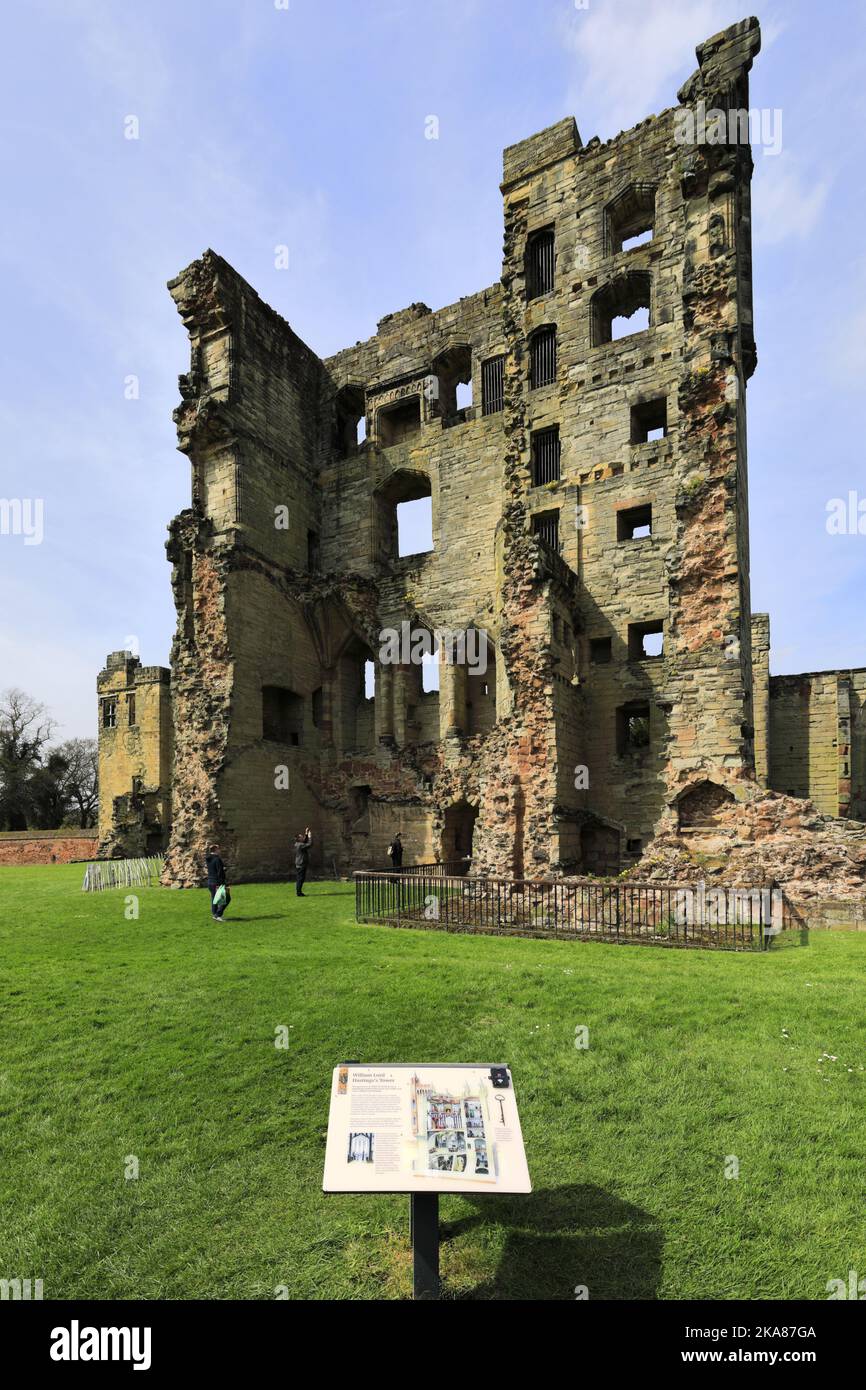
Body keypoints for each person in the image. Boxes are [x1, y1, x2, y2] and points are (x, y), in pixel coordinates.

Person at [205, 843, 229, 921]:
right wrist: (223, 883)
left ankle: (215, 914)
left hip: (210, 882)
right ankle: (217, 915)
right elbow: (219, 873)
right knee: (227, 898)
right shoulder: (217, 859)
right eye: (218, 849)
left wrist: (222, 868)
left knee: (214, 898)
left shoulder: (209, 859)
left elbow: (214, 869)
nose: (219, 850)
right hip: (217, 882)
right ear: (215, 850)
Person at [293, 827, 312, 896]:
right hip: (301, 864)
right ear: (298, 839)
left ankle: (299, 892)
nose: (303, 837)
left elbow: (304, 841)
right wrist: (310, 837)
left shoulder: (298, 844)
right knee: (300, 878)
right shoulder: (300, 845)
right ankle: (299, 892)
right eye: (301, 837)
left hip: (299, 863)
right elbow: (309, 844)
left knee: (300, 878)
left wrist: (306, 833)